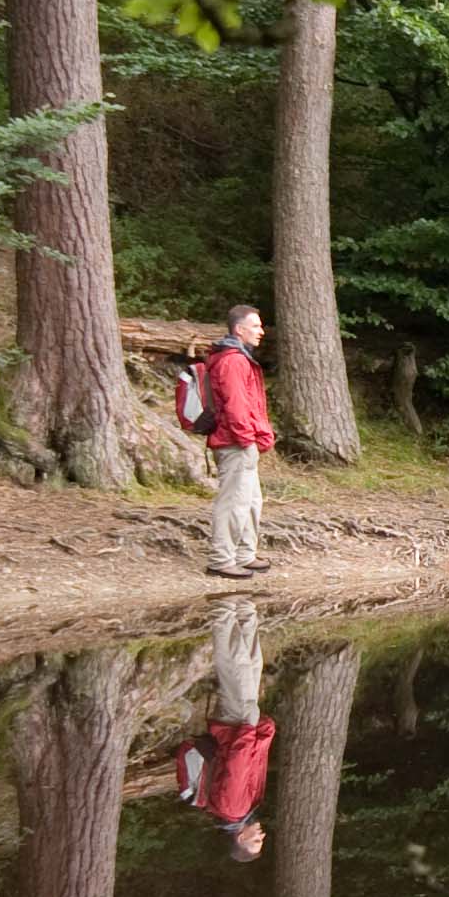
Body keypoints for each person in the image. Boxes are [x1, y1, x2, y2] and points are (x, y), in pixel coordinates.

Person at [180, 599, 274, 860]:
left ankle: (223, 612)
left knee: (236, 668)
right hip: (242, 728)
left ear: (241, 837)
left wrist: (248, 730)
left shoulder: (233, 809)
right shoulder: (242, 809)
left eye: (256, 840)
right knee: (251, 667)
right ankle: (245, 610)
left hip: (237, 728)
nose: (262, 835)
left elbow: (238, 763)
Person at [201, 302, 276, 578]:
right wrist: (247, 440)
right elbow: (236, 406)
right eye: (255, 326)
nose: (261, 332)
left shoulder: (238, 358)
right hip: (234, 443)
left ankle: (244, 554)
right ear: (239, 329)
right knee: (234, 502)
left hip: (242, 441)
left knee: (251, 501)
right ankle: (221, 560)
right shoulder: (233, 361)